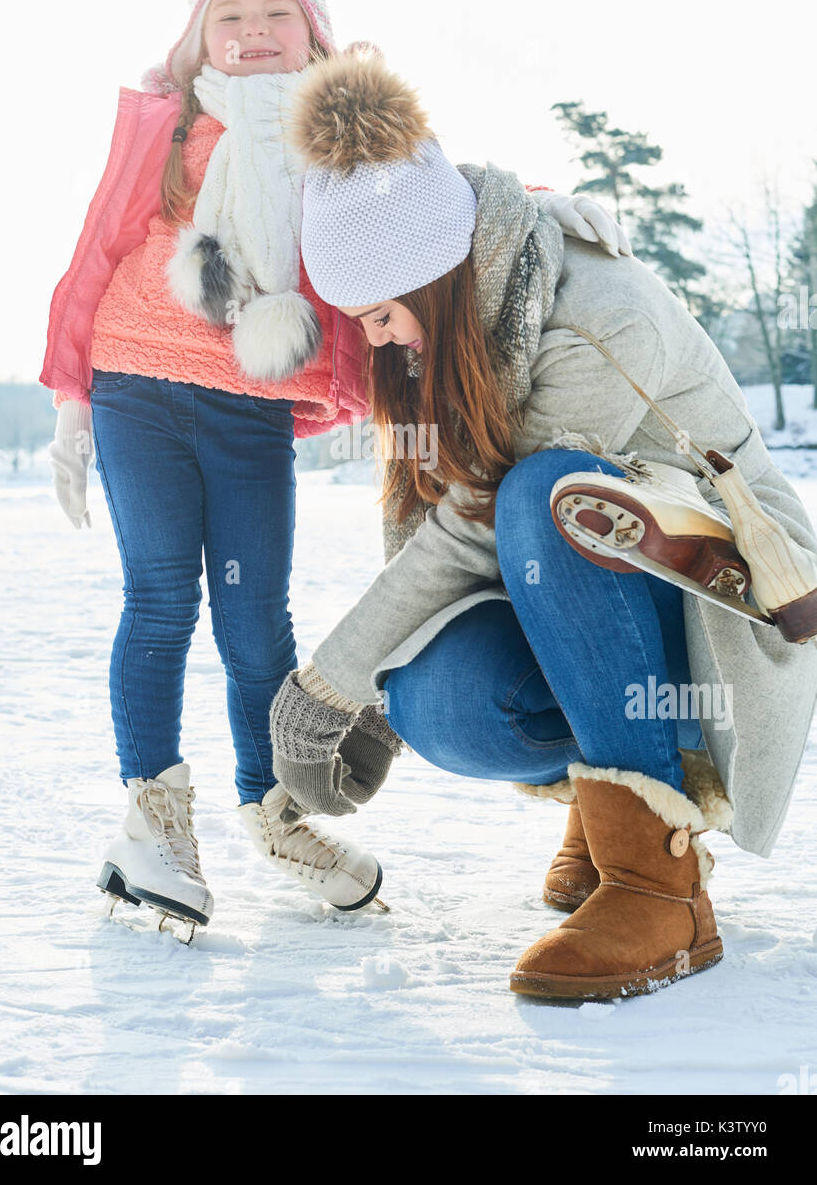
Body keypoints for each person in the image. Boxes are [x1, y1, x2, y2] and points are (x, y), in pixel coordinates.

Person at [268, 51, 817, 1000]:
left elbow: (481, 524)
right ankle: (611, 803)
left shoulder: (595, 318)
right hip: (597, 601)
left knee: (545, 494)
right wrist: (381, 696)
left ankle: (660, 885)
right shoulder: (457, 336)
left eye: (384, 313)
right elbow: (427, 526)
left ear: (434, 276)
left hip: (726, 603)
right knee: (438, 701)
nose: (375, 338)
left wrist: (329, 686)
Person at [40, 0, 385, 933]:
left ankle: (275, 811)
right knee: (160, 598)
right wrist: (70, 401)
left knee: (253, 619)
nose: (249, 33)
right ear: (198, 33)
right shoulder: (169, 121)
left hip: (249, 412)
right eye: (226, 15)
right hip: (140, 388)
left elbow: (388, 249)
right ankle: (152, 820)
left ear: (311, 27)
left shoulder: (341, 134)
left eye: (272, 12)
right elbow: (98, 248)